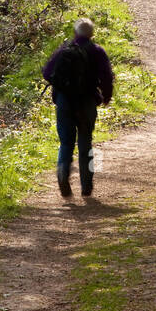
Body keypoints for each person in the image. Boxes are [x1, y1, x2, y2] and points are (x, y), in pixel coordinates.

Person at [42, 17, 114, 197]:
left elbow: (47, 72)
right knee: (85, 143)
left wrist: (62, 88)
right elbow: (106, 77)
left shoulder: (64, 50)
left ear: (75, 33)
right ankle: (87, 185)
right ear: (92, 34)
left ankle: (62, 172)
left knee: (65, 143)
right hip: (87, 102)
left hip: (64, 102)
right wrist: (106, 96)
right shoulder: (97, 51)